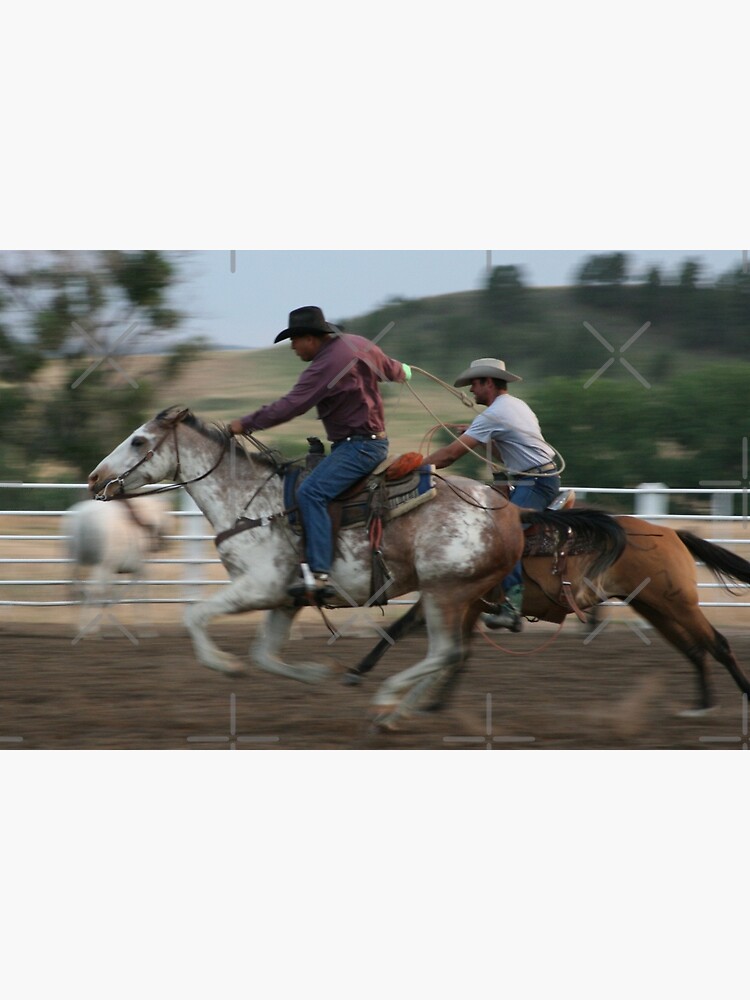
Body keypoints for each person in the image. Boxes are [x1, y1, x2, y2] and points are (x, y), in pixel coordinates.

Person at [228, 306, 411, 600]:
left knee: (311, 492)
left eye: (294, 340)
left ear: (311, 338)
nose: (292, 347)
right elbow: (393, 369)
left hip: (358, 447)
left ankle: (319, 573)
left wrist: (245, 424)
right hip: (371, 442)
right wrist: (406, 371)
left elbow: (291, 406)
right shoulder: (360, 344)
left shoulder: (325, 366)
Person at [423, 357, 560, 631]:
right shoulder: (514, 406)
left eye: (474, 383)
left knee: (502, 534)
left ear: (488, 382)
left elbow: (450, 455)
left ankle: (511, 607)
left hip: (535, 483)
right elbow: (507, 451)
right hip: (534, 479)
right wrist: (479, 437)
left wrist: (414, 467)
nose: (471, 390)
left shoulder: (495, 414)